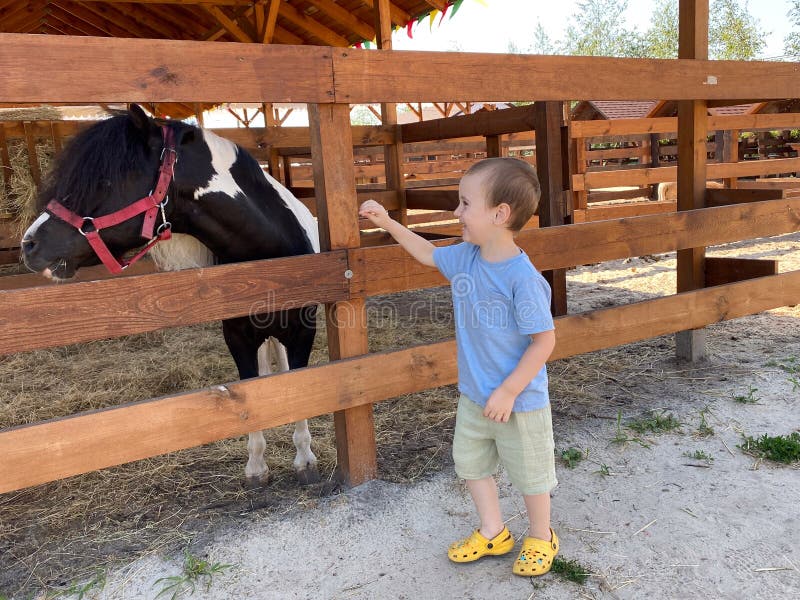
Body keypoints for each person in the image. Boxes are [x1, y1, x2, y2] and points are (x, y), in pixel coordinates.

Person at [359, 157, 558, 577]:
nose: (456, 212)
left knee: (531, 474)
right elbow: (428, 254)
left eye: (466, 203)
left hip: (519, 401)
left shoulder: (522, 280)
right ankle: (493, 531)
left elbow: (545, 341)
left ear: (499, 214)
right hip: (474, 394)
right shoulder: (467, 258)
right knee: (470, 465)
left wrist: (509, 391)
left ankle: (541, 535)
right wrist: (387, 223)